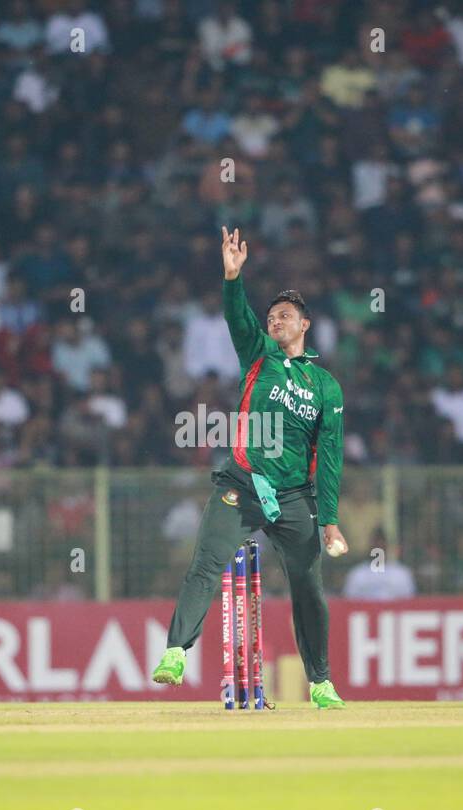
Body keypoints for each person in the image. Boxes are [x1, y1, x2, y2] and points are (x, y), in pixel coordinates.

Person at [151, 228, 349, 708]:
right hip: (241, 483)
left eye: (285, 316)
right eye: (271, 315)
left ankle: (320, 682)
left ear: (305, 325)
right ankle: (176, 652)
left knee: (308, 588)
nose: (275, 320)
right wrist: (232, 277)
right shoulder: (258, 354)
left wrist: (328, 520)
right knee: (206, 564)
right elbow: (236, 315)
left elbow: (331, 458)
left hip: (294, 496)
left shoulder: (326, 386)